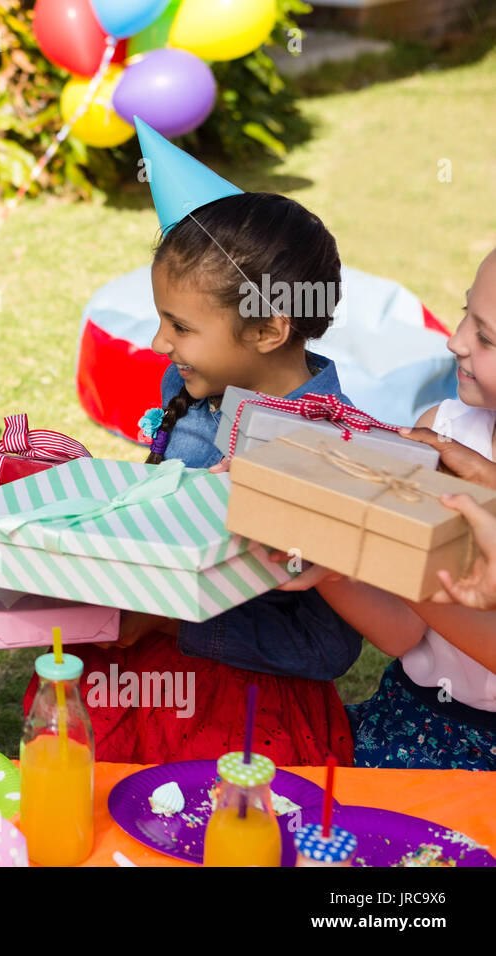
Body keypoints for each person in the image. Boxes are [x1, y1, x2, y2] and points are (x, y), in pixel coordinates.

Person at [26, 120, 365, 766]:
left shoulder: (329, 447)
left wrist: (169, 617)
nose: (159, 344)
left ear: (268, 329)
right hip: (141, 677)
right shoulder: (188, 383)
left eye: (178, 326)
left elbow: (329, 646)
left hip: (245, 712)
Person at [284, 248, 496, 769]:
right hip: (414, 718)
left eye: (487, 337)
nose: (455, 340)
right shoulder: (444, 431)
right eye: (466, 312)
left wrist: (403, 562)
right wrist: (335, 568)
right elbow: (403, 633)